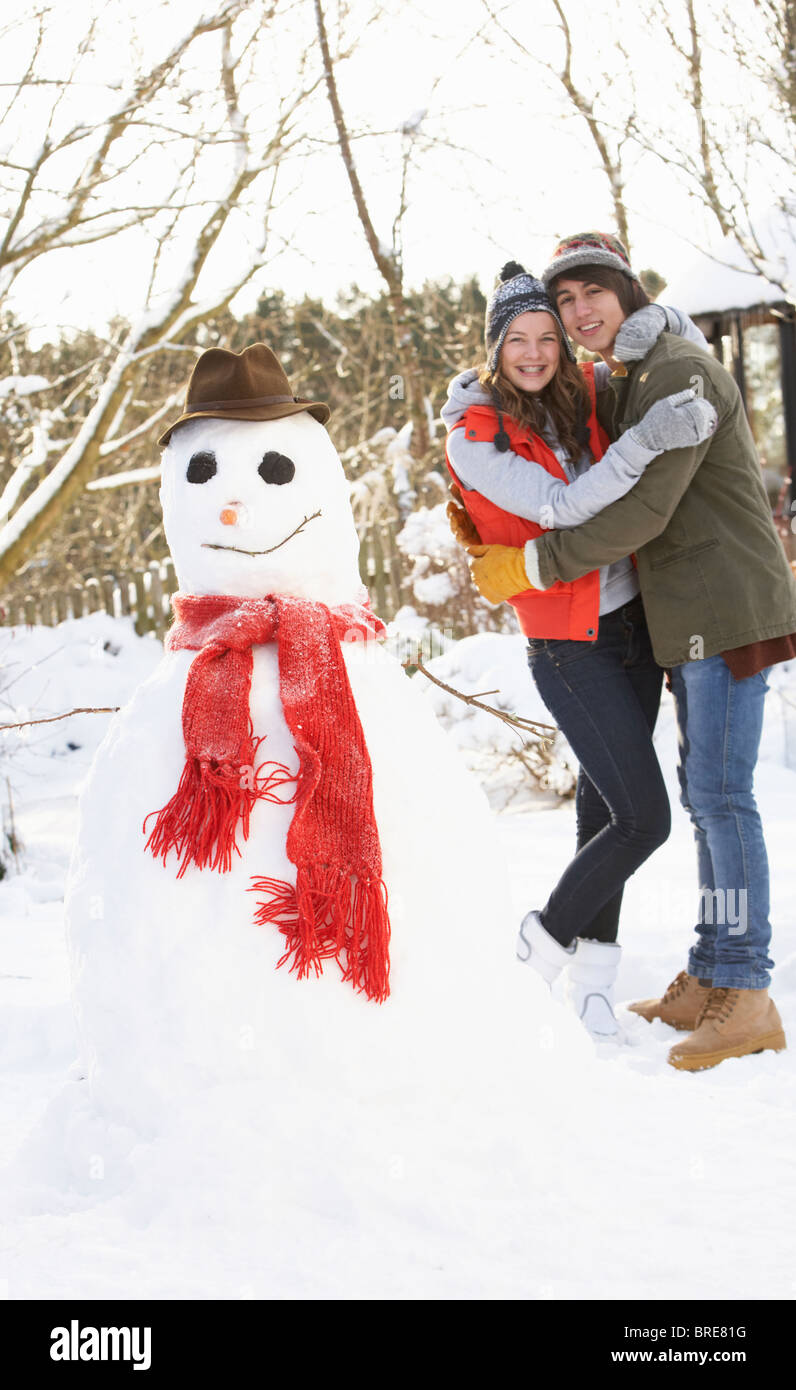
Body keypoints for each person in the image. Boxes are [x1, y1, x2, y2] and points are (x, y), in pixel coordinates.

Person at [461, 230, 796, 1071]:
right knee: (704, 799)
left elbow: (642, 512)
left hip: (722, 608)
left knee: (721, 800)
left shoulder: (676, 372)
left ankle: (746, 989)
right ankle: (714, 967)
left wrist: (535, 564)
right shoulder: (625, 378)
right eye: (563, 302)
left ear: (628, 290)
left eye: (590, 296)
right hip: (682, 615)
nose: (578, 315)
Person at [442, 262, 717, 1041]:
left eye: (546, 338)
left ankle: (594, 987)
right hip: (569, 646)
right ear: (494, 351)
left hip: (634, 630)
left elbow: (673, 357)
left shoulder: (581, 396)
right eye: (516, 341)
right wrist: (646, 442)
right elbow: (564, 507)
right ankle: (540, 947)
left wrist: (659, 321)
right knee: (643, 820)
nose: (534, 353)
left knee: (602, 813)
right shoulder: (475, 437)